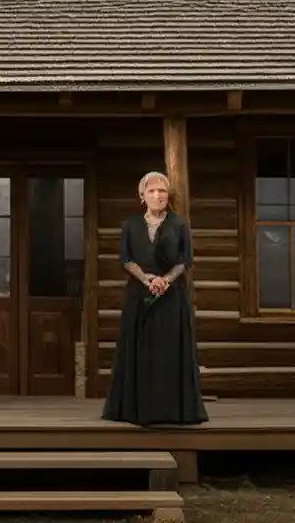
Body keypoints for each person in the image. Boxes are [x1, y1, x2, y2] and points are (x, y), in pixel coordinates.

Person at [102, 170, 208, 426]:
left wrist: (165, 281)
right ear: (142, 196)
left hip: (171, 298)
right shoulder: (130, 225)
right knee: (141, 351)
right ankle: (136, 409)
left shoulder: (179, 224)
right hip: (140, 296)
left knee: (169, 351)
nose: (158, 195)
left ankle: (172, 410)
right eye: (152, 191)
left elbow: (186, 259)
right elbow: (126, 259)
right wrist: (147, 279)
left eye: (162, 191)